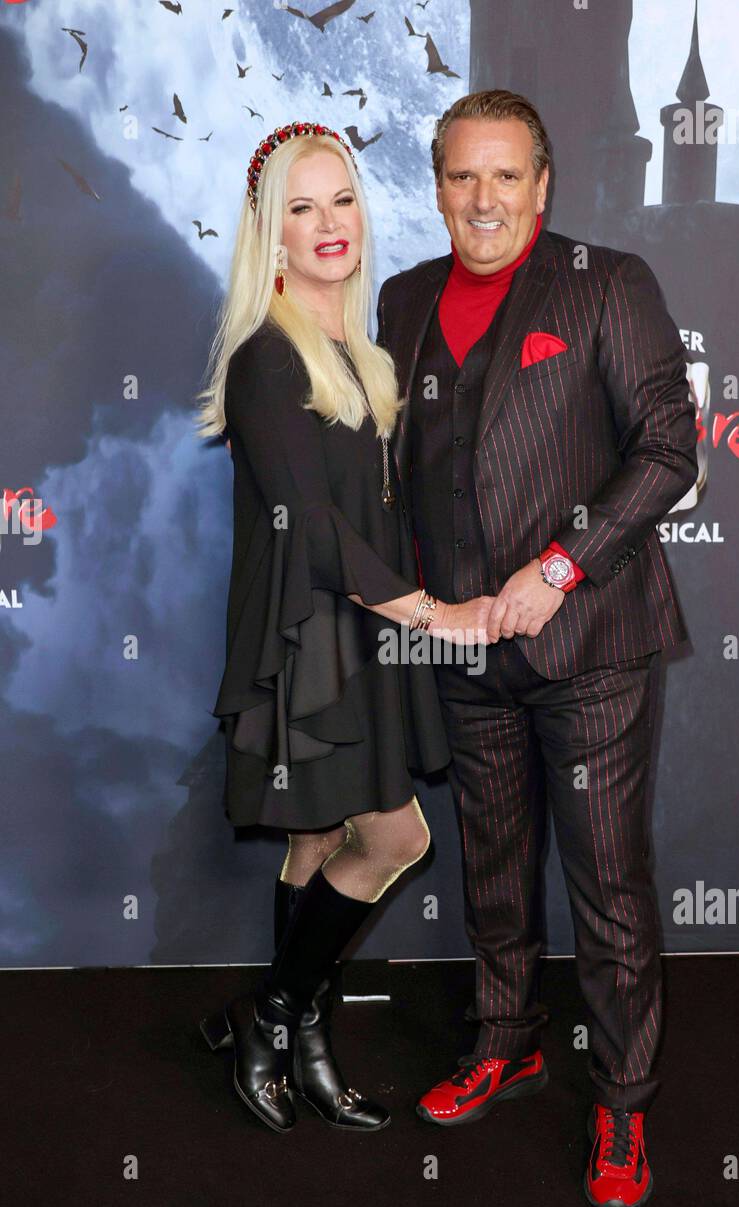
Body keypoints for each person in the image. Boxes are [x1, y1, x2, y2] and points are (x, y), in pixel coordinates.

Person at [376, 91, 699, 1207]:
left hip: (593, 644)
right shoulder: (405, 298)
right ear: (437, 187)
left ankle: (622, 1102)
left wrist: (558, 568)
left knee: (608, 885)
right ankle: (505, 1039)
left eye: (505, 176)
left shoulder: (608, 282)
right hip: (464, 653)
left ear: (544, 185)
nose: (483, 199)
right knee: (495, 869)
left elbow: (667, 447)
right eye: (462, 176)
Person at [194, 119, 494, 1135]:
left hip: (355, 638)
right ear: (270, 236)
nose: (329, 224)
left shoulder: (356, 351)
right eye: (301, 208)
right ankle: (269, 1010)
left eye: (342, 200)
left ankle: (297, 1037)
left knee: (323, 836)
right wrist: (432, 614)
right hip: (309, 637)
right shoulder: (267, 358)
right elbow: (315, 535)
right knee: (395, 835)